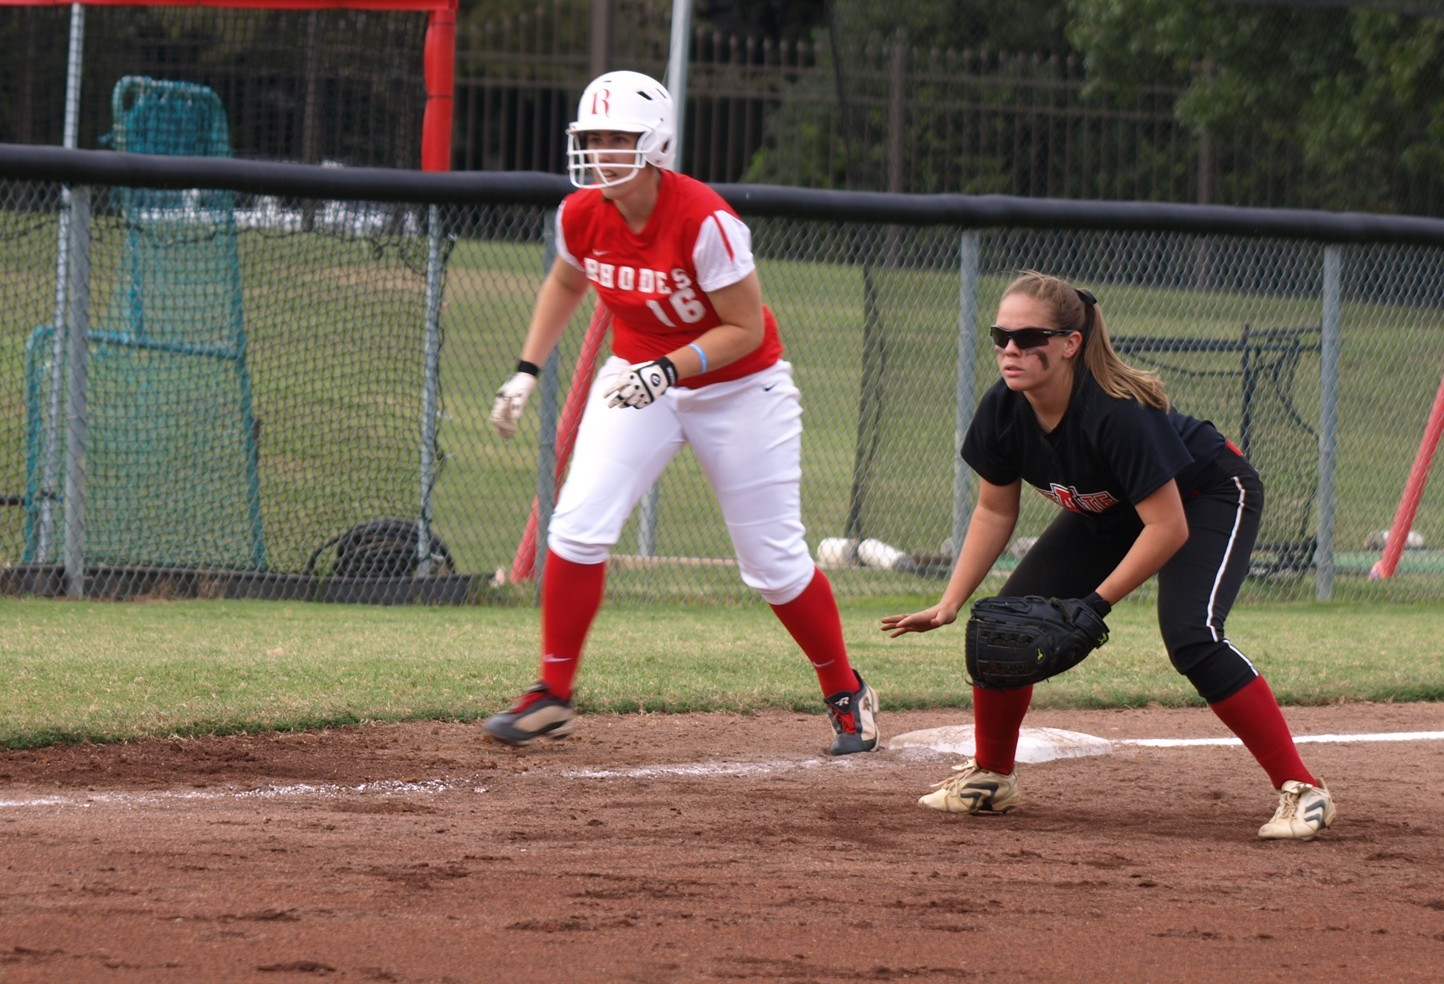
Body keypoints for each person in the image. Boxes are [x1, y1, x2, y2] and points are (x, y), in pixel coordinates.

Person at [483, 69, 879, 756]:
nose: (603, 152)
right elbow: (568, 279)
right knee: (576, 528)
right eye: (593, 138)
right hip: (638, 376)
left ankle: (846, 689)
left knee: (774, 564)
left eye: (619, 138)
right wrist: (526, 369)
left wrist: (666, 369)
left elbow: (745, 329)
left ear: (657, 142)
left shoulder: (705, 219)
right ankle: (552, 694)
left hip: (740, 389)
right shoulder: (581, 212)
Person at [880, 270, 1334, 840]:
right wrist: (950, 602)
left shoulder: (1117, 413)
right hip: (1115, 508)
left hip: (1208, 494)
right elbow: (995, 511)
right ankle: (993, 777)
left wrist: (1095, 604)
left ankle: (1301, 788)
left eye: (1029, 338)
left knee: (1192, 636)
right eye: (1001, 337)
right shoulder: (1003, 409)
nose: (1010, 350)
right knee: (1006, 624)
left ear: (1070, 343)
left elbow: (1167, 528)